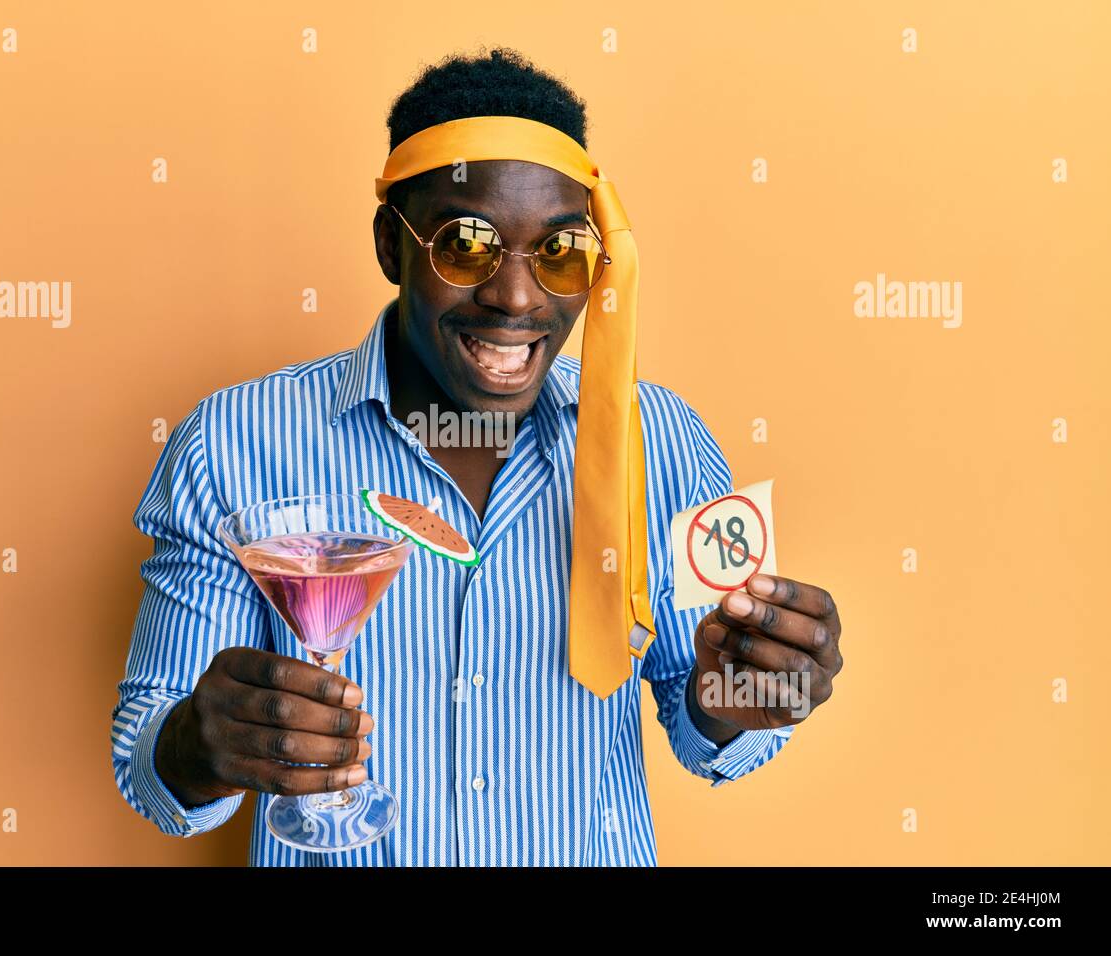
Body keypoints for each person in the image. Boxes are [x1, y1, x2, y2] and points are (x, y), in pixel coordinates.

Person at [111, 47, 843, 866]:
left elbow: (704, 720)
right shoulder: (234, 442)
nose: (517, 298)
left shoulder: (661, 440)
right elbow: (149, 766)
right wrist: (195, 749)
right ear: (393, 245)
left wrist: (743, 688)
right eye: (467, 245)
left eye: (560, 254)